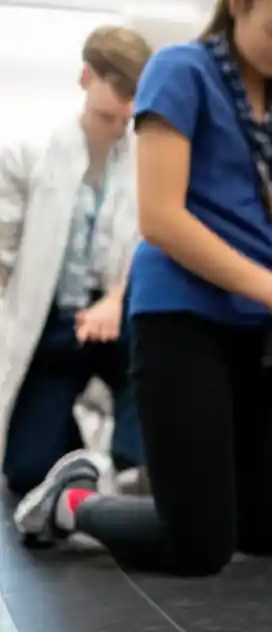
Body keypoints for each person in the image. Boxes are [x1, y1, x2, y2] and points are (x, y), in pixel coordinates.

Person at [13, 0, 272, 577]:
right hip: (184, 318)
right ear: (238, 1)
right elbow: (161, 219)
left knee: (270, 532)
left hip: (265, 326)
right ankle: (71, 502)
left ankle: (192, 500)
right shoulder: (181, 71)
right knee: (198, 548)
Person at [0, 26, 151, 495]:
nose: (120, 123)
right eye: (110, 111)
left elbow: (151, 244)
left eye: (129, 113)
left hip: (119, 318)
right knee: (28, 471)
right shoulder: (27, 157)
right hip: (56, 323)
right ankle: (75, 458)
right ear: (86, 77)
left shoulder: (146, 163)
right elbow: (4, 253)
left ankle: (132, 465)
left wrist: (116, 299)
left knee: (153, 360)